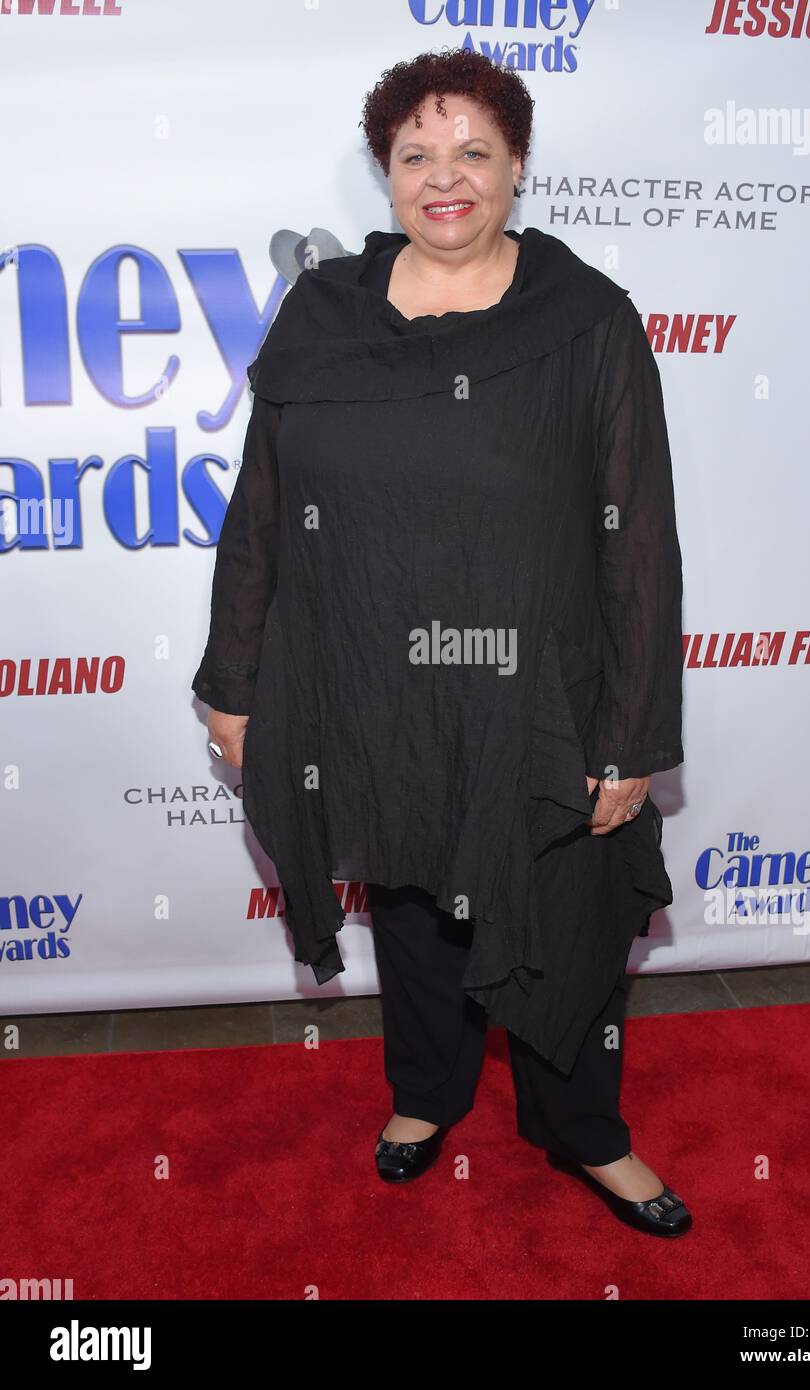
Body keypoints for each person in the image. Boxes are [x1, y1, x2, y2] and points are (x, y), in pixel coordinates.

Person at [192, 48, 690, 1239]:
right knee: (410, 902)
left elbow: (637, 538)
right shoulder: (324, 313)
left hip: (540, 699)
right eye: (415, 154)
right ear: (386, 173)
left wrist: (630, 736)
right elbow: (259, 510)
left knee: (564, 923)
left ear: (517, 166)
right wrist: (234, 681)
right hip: (372, 684)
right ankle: (426, 1092)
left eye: (473, 150)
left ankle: (585, 1132)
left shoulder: (586, 321)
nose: (445, 176)